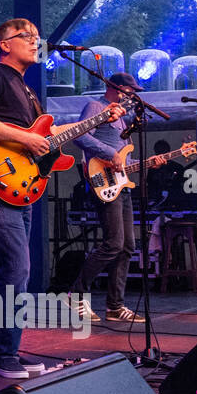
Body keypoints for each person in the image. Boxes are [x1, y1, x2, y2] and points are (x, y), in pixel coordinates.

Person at [0, 19, 121, 379]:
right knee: (17, 267)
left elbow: (49, 135)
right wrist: (24, 141)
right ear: (5, 44)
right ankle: (0, 354)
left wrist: (100, 118)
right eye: (28, 37)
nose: (36, 43)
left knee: (18, 270)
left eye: (38, 38)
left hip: (23, 185)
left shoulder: (27, 89)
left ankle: (6, 351)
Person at [70, 73, 146, 324]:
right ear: (119, 88)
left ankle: (115, 306)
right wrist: (110, 152)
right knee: (113, 242)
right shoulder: (96, 106)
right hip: (101, 181)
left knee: (127, 247)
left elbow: (123, 161)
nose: (133, 95)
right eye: (130, 90)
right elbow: (80, 136)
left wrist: (149, 163)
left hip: (121, 186)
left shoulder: (122, 120)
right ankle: (76, 293)